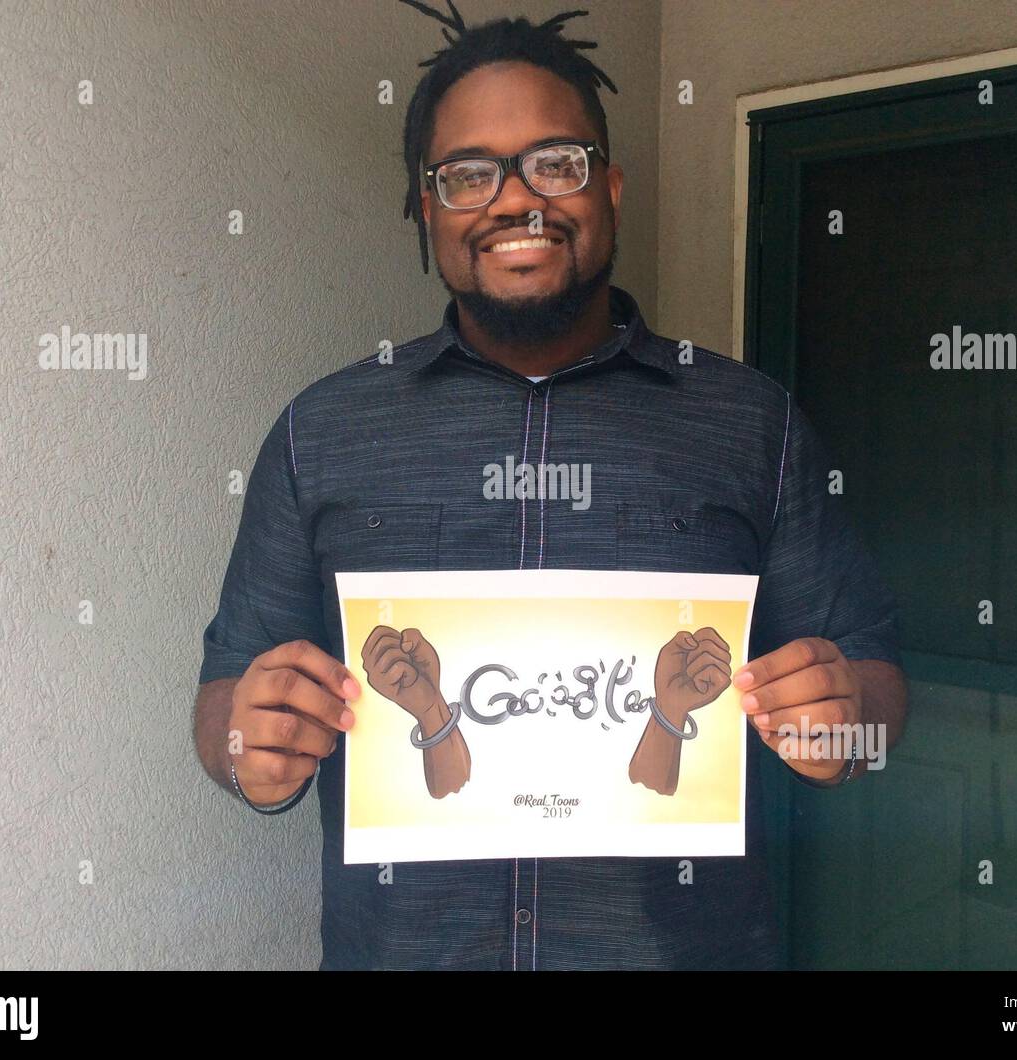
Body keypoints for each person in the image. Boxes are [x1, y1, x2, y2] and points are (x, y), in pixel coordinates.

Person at [192, 4, 907, 970]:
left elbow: (876, 680)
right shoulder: (321, 432)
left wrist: (845, 721)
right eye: (468, 174)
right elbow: (225, 692)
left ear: (609, 187)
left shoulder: (752, 423)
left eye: (556, 162)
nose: (516, 199)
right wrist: (251, 751)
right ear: (427, 209)